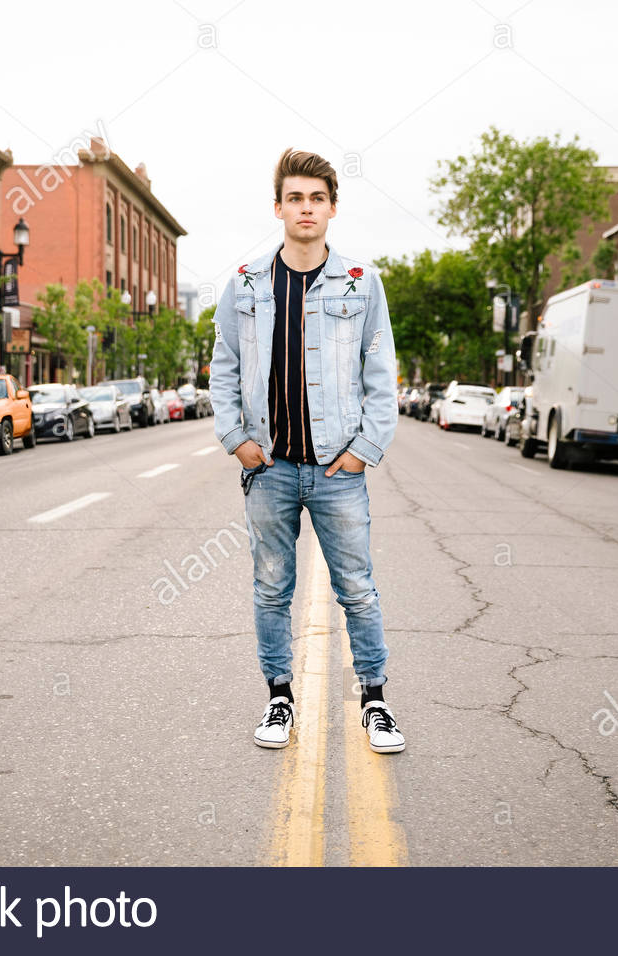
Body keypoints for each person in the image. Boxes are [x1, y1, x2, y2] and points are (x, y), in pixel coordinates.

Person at [210, 147, 404, 754]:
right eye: (295, 198)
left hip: (337, 469)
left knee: (358, 589)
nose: (306, 208)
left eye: (317, 198)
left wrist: (363, 451)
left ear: (333, 209)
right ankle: (279, 698)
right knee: (272, 587)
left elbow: (382, 373)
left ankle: (375, 701)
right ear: (278, 207)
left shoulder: (360, 283)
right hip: (269, 468)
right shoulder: (244, 284)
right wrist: (236, 440)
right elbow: (223, 368)